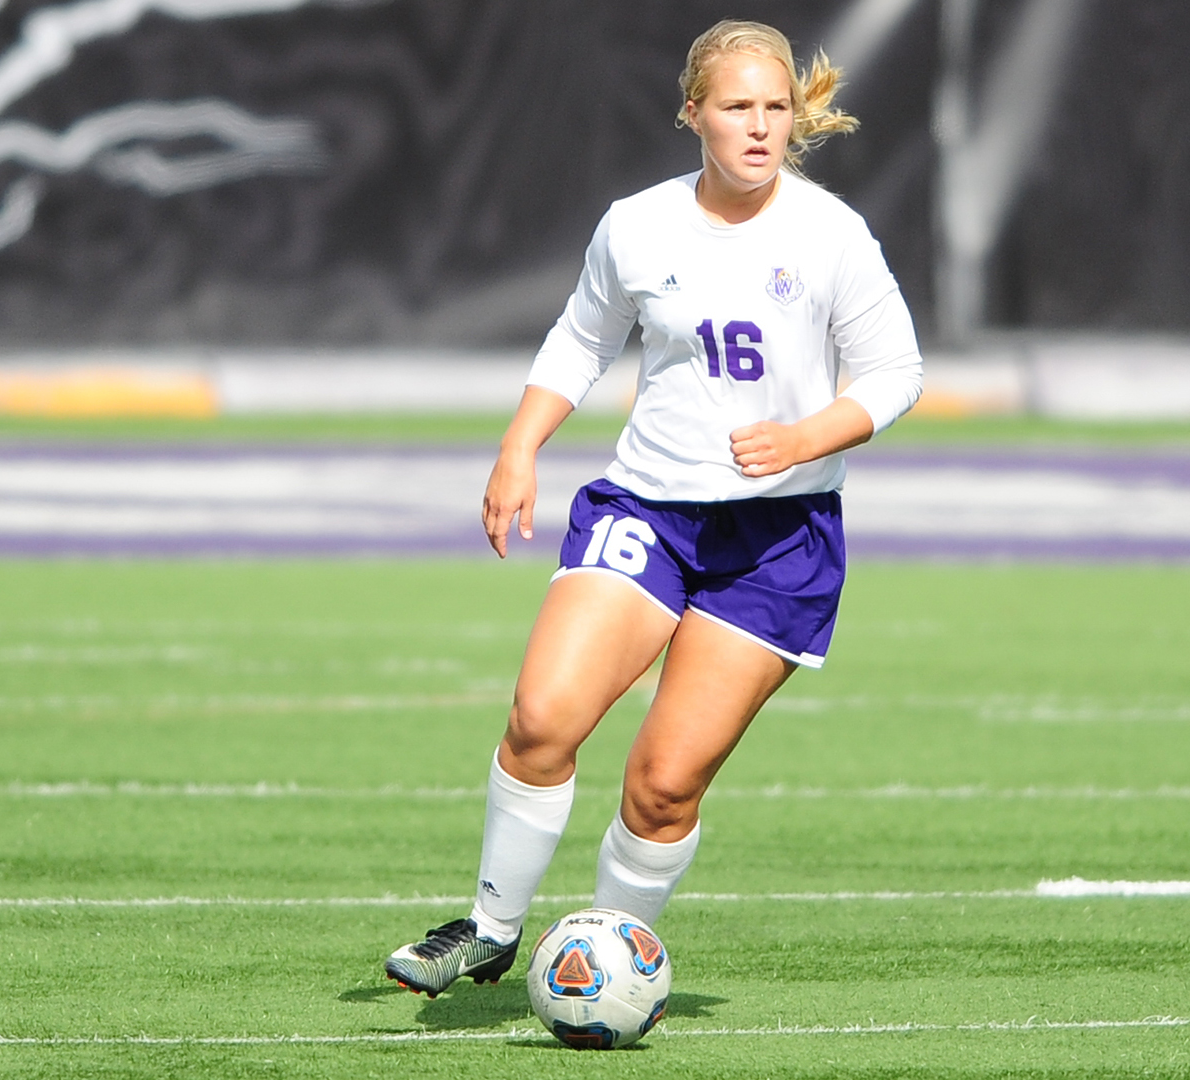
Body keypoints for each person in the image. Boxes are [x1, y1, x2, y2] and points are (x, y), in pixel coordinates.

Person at [383, 19, 922, 997]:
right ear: (693, 114)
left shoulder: (830, 234)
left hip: (776, 544)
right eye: (736, 108)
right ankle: (490, 927)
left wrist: (805, 439)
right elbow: (579, 341)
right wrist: (519, 447)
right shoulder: (637, 224)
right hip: (649, 511)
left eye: (774, 108)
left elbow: (896, 373)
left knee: (664, 784)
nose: (759, 128)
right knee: (543, 718)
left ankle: (606, 964)